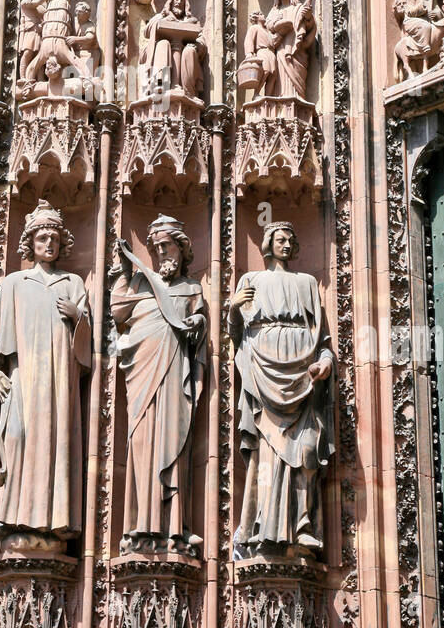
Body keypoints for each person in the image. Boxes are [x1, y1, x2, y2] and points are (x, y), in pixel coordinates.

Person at [0, 201, 91, 548]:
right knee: (18, 438)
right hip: (23, 378)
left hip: (60, 382)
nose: (49, 244)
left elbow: (87, 350)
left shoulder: (73, 283)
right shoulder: (14, 283)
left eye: (55, 239)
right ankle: (13, 516)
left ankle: (54, 521)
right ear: (30, 242)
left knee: (56, 442)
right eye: (42, 238)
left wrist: (78, 316)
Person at [229, 222, 334, 551]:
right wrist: (233, 308)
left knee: (306, 449)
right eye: (280, 239)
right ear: (267, 244)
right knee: (267, 454)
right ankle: (261, 526)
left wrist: (326, 364)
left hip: (303, 374)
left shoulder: (306, 283)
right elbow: (236, 335)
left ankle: (302, 523)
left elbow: (325, 341)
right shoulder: (252, 281)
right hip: (262, 370)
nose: (286, 244)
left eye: (291, 239)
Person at [111, 217, 206, 553]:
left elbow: (198, 329)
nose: (162, 252)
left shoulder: (192, 289)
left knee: (174, 444)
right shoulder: (139, 283)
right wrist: (125, 270)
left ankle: (174, 526)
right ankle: (139, 524)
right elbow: (118, 312)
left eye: (168, 246)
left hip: (173, 376)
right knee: (140, 444)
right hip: (141, 375)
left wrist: (198, 322)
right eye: (156, 248)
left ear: (182, 249)